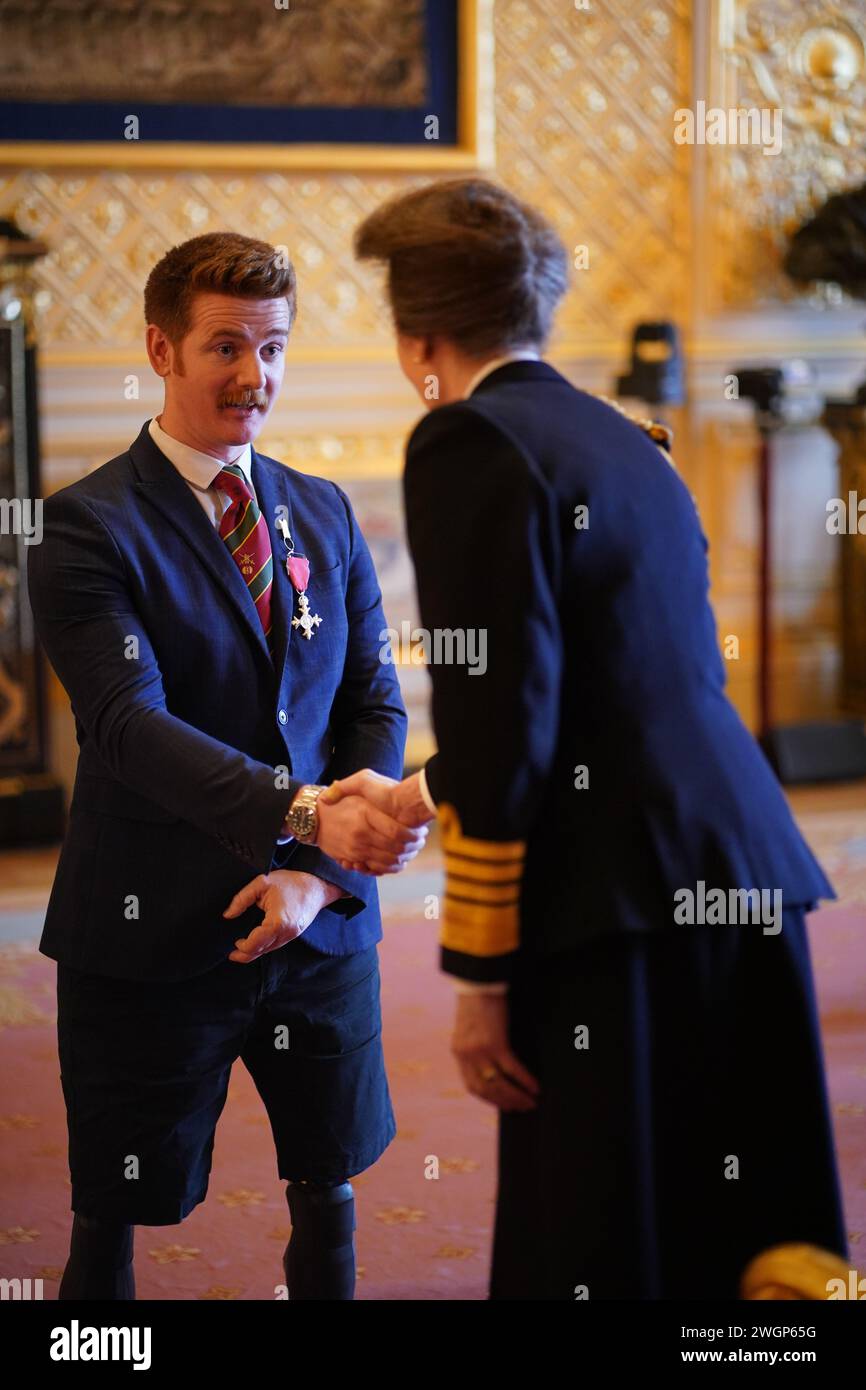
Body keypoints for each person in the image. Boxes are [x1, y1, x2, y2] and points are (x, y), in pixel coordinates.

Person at [319, 177, 850, 1299]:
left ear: (417, 338)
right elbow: (606, 691)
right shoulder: (624, 437)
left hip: (610, 899)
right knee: (743, 1237)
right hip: (738, 866)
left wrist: (477, 974)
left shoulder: (464, 440)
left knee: (606, 1238)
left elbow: (504, 712)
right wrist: (416, 795)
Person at [26, 231, 427, 1301]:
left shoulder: (323, 508)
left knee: (327, 1184)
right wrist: (302, 815)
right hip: (150, 931)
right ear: (162, 349)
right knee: (110, 1215)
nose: (255, 376)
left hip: (320, 918)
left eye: (275, 347)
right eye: (225, 348)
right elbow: (122, 724)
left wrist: (316, 871)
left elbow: (370, 702)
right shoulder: (84, 527)